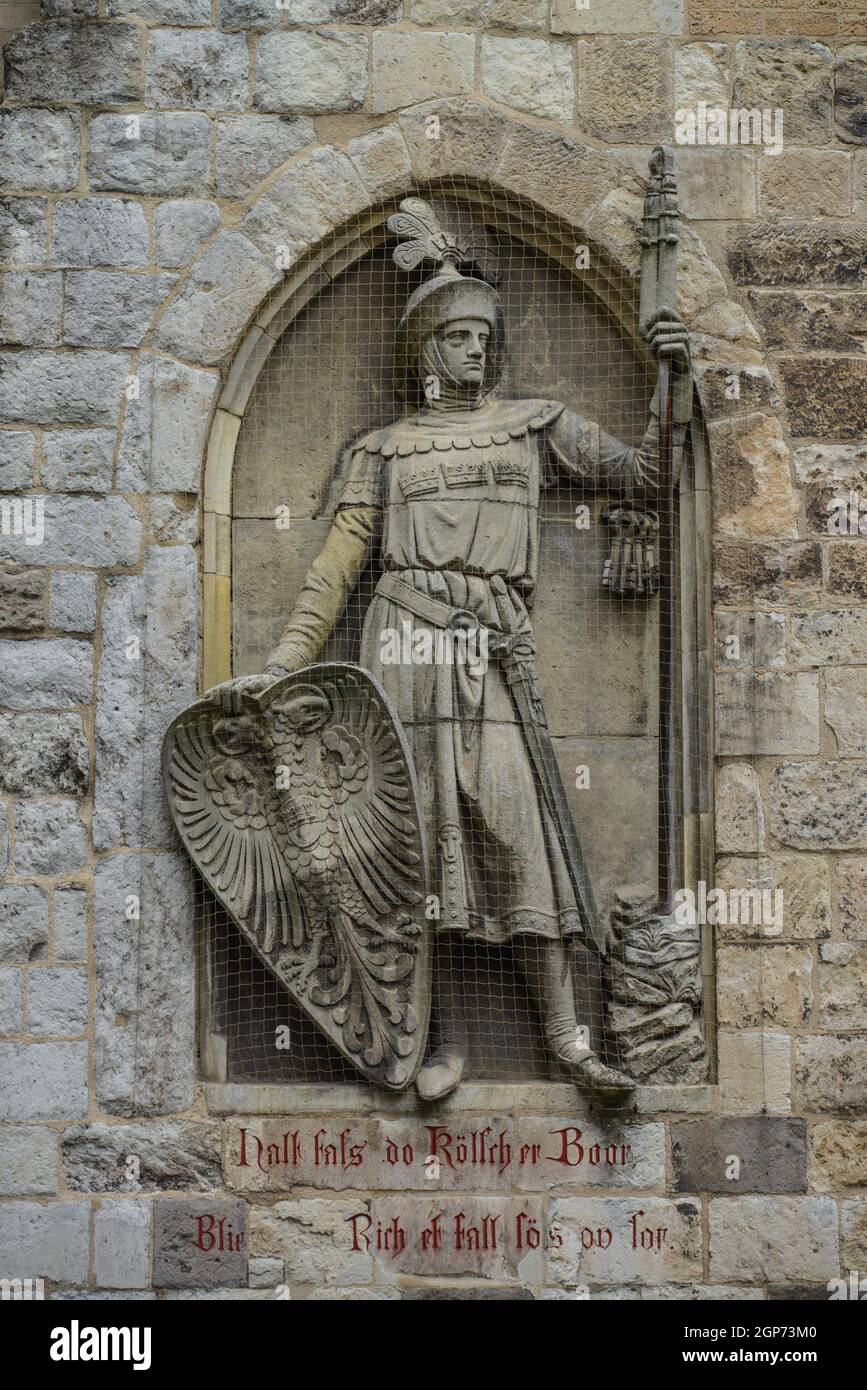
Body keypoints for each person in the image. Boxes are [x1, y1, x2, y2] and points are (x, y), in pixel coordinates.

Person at [213, 200, 691, 1104]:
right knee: (421, 849)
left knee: (516, 835)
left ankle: (566, 1039)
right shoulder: (383, 454)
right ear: (427, 351)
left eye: (484, 334)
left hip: (490, 653)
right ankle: (440, 1040)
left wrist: (670, 366)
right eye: (459, 337)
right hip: (401, 647)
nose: (477, 350)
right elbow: (334, 568)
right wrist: (283, 665)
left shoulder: (531, 426)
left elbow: (648, 472)